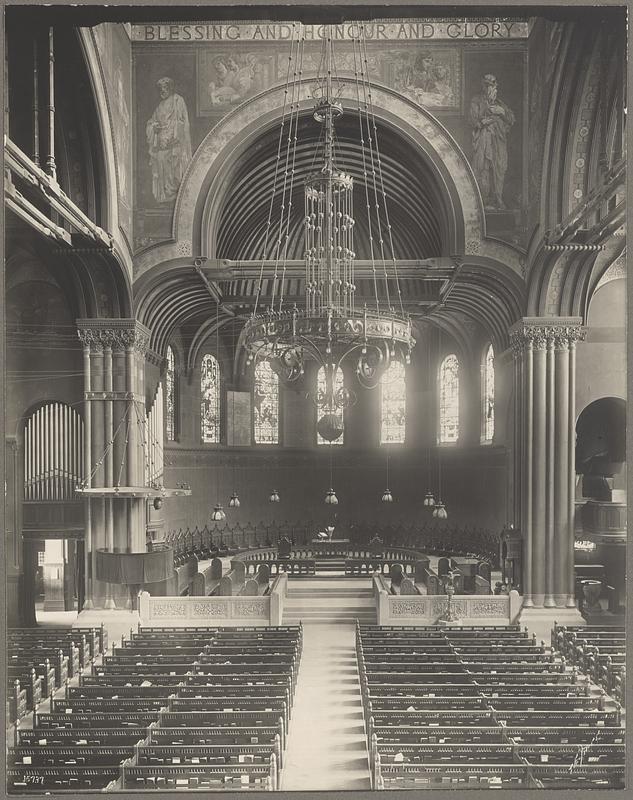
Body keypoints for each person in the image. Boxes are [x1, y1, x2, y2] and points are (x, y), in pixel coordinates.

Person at [469, 74, 515, 210]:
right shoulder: (476, 100)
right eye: (488, 85)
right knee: (483, 167)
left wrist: (502, 112)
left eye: (493, 85)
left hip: (498, 140)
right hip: (483, 139)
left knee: (499, 167)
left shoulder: (500, 104)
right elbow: (473, 120)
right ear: (483, 86)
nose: (491, 88)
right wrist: (485, 115)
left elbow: (511, 119)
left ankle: (497, 198)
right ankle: (483, 200)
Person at [146, 77, 191, 203]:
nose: (163, 90)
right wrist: (154, 127)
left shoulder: (178, 100)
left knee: (175, 169)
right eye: (161, 88)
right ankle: (164, 196)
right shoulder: (159, 107)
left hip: (175, 142)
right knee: (161, 165)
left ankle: (176, 195)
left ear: (170, 89)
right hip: (161, 144)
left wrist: (176, 134)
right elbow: (151, 122)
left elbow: (183, 120)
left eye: (165, 88)